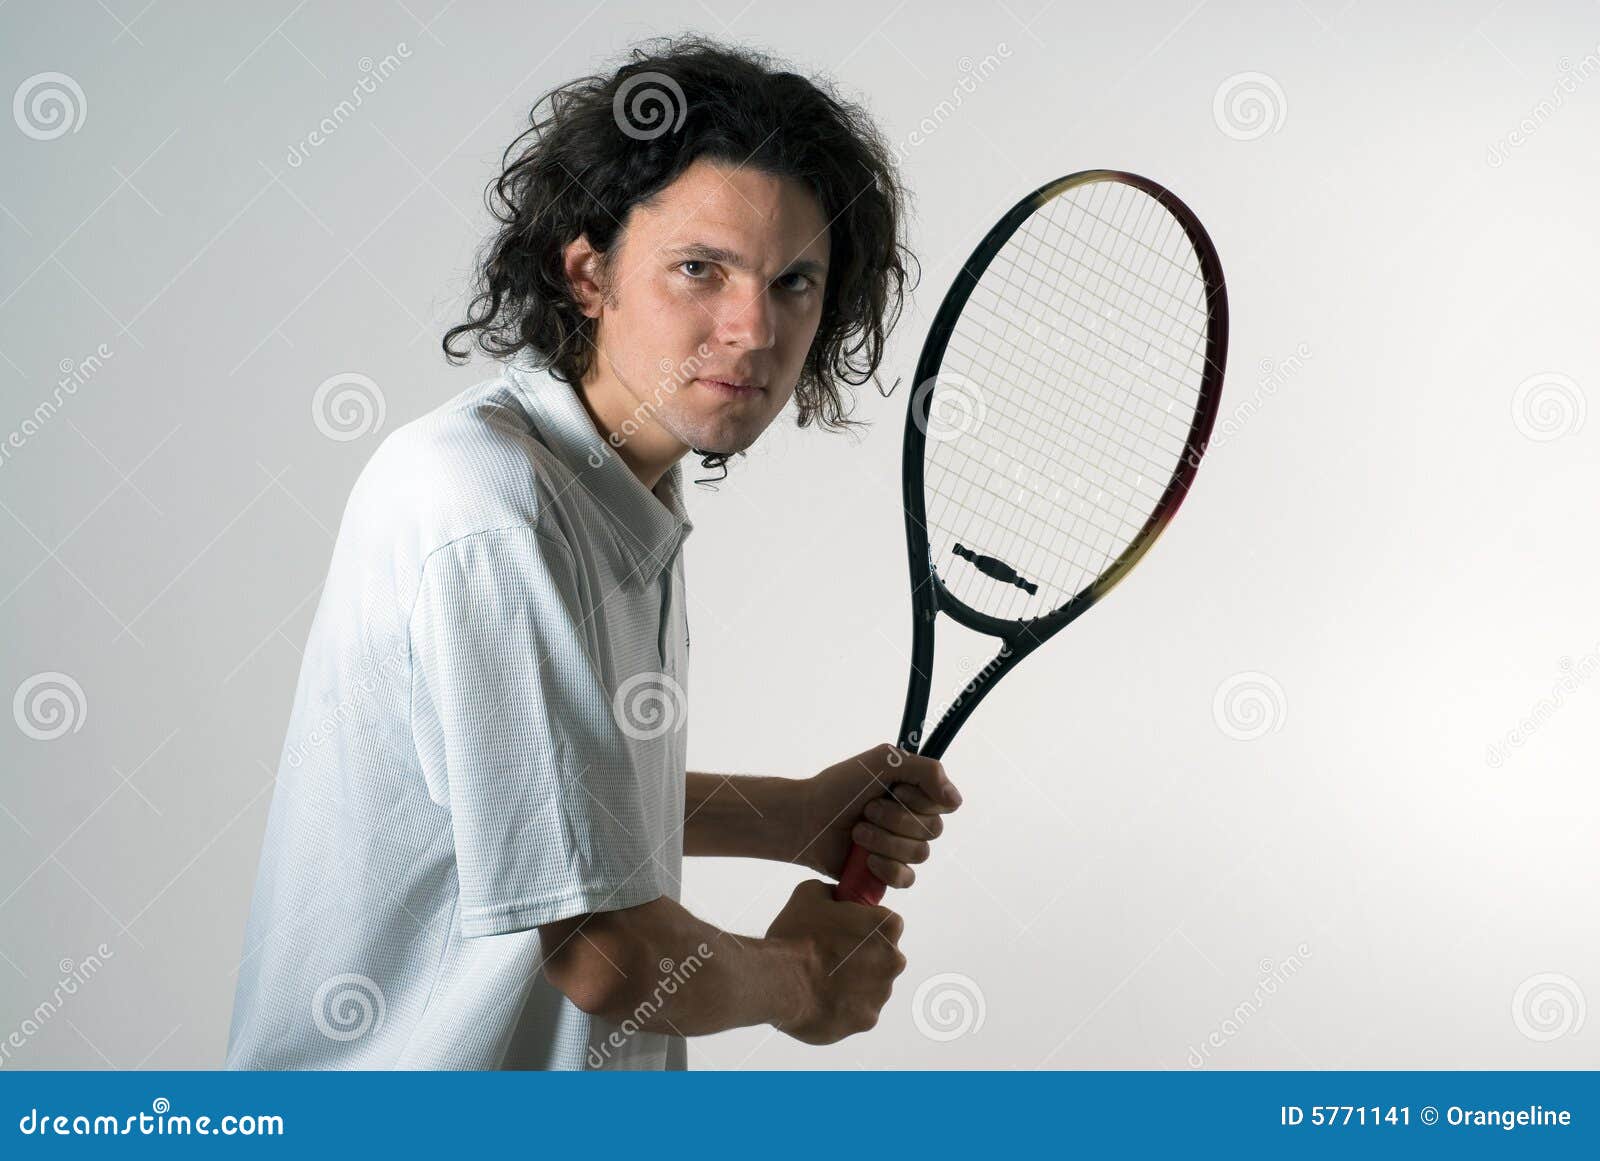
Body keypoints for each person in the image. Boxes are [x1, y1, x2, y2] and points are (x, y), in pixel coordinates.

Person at [226, 35, 961, 1071]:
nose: (750, 328)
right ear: (587, 272)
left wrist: (789, 815)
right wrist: (799, 976)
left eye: (794, 281)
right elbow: (606, 955)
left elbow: (535, 801)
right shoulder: (488, 503)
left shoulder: (612, 487)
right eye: (699, 269)